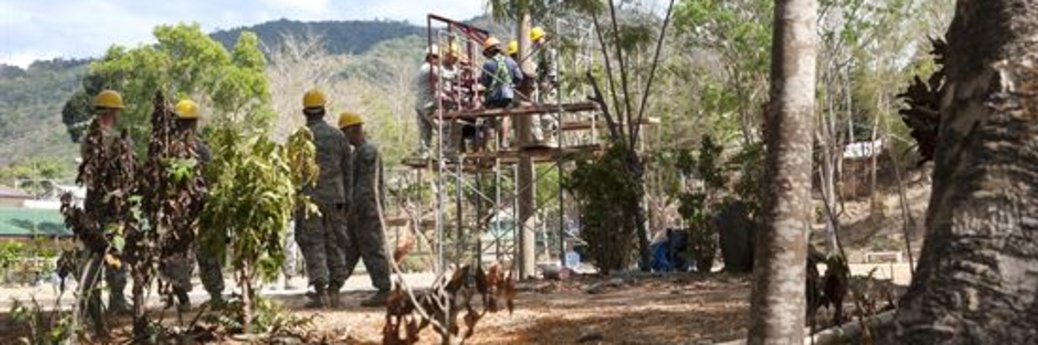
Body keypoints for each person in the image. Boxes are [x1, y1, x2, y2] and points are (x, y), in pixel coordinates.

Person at [296, 89, 351, 308]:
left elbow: (293, 171)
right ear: (324, 110)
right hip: (336, 199)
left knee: (314, 243)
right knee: (335, 241)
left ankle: (320, 291)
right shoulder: (338, 136)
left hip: (310, 200)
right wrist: (347, 198)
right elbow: (348, 169)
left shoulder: (299, 138)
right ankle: (335, 288)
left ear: (305, 112)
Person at [79, 89, 131, 317]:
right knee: (115, 252)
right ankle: (117, 301)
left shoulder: (86, 139)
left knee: (93, 252)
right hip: (111, 204)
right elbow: (126, 171)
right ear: (113, 112)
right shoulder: (114, 140)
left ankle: (89, 304)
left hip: (92, 203)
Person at [338, 112, 392, 307]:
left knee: (372, 248)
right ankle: (333, 286)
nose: (344, 138)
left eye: (345, 133)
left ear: (353, 130)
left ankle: (384, 289)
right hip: (358, 211)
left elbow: (365, 187)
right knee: (350, 250)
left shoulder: (368, 152)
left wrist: (353, 209)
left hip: (367, 211)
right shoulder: (357, 152)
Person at [479, 37, 524, 149]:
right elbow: (519, 78)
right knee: (505, 117)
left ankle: (489, 144)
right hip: (508, 95)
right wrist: (511, 85)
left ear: (488, 51)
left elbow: (484, 81)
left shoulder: (488, 64)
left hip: (492, 96)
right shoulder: (510, 61)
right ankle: (504, 142)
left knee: (490, 118)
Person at [413, 45, 441, 158]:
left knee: (425, 131)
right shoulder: (431, 69)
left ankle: (425, 152)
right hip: (428, 105)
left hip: (420, 104)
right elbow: (444, 76)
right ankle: (442, 153)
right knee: (444, 129)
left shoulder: (422, 68)